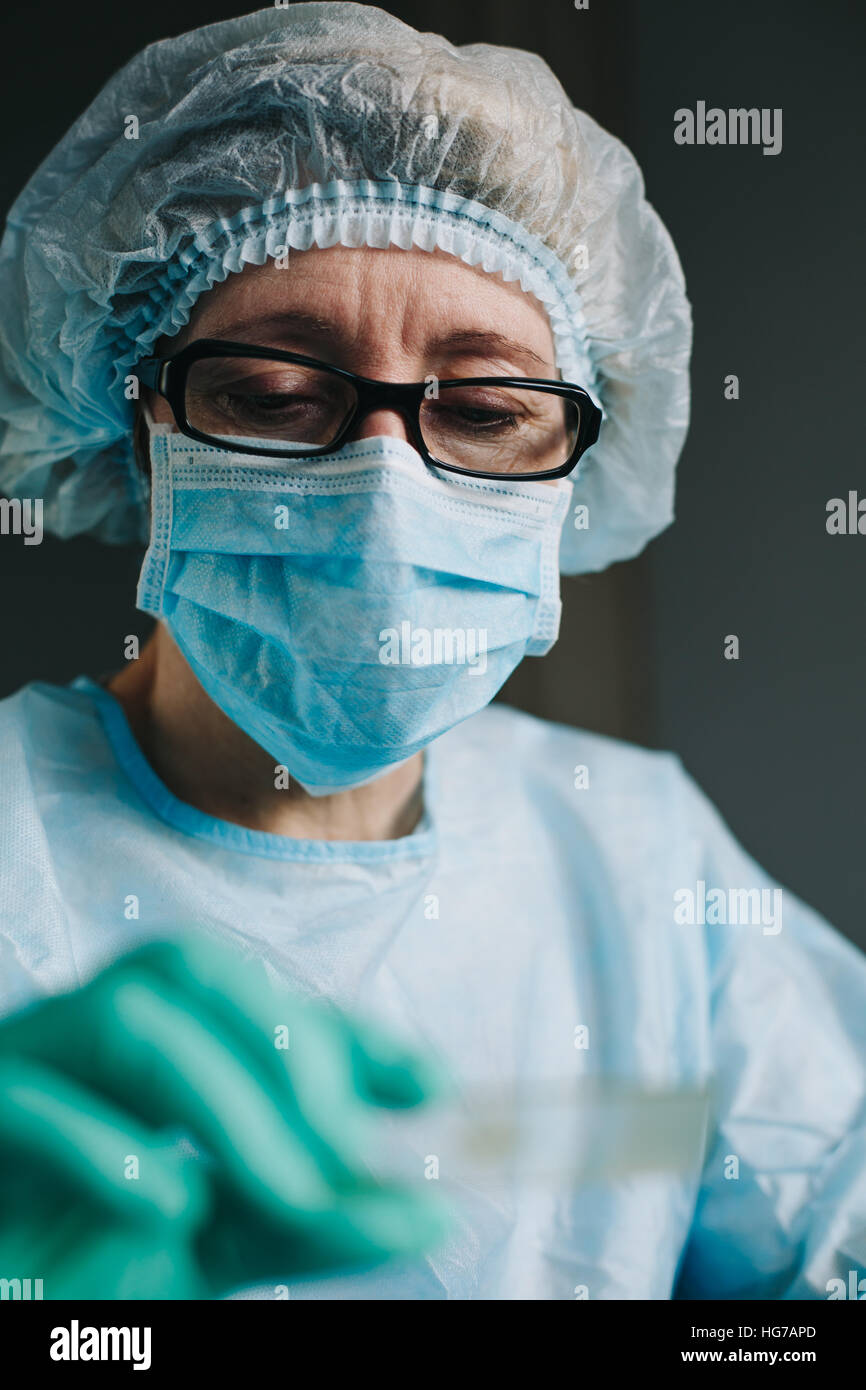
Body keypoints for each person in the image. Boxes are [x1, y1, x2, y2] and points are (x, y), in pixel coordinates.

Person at [0, 2, 863, 1301]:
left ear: (573, 467)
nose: (381, 486)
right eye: (274, 393)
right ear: (139, 429)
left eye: (484, 408)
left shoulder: (633, 854)